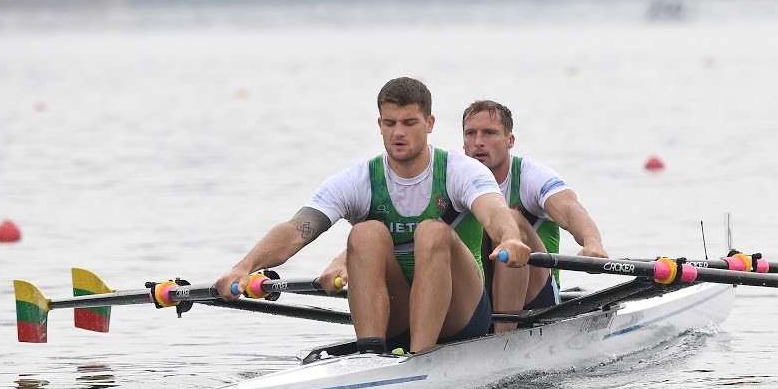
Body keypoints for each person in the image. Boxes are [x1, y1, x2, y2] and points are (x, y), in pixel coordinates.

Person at [215, 77, 531, 355]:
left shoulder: (461, 172)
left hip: (460, 314)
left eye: (410, 123)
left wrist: (510, 237)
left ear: (430, 123)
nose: (399, 133)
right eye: (390, 123)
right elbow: (297, 229)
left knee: (432, 232)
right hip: (397, 313)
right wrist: (244, 267)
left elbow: (494, 210)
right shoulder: (359, 180)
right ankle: (371, 352)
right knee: (365, 233)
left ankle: (420, 358)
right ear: (379, 125)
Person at [460, 99, 609, 332]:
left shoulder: (530, 176)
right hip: (475, 294)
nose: (478, 142)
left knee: (510, 221)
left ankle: (502, 338)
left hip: (537, 300)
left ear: (510, 141)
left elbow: (570, 209)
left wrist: (592, 242)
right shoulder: (454, 177)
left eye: (489, 133)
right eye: (471, 134)